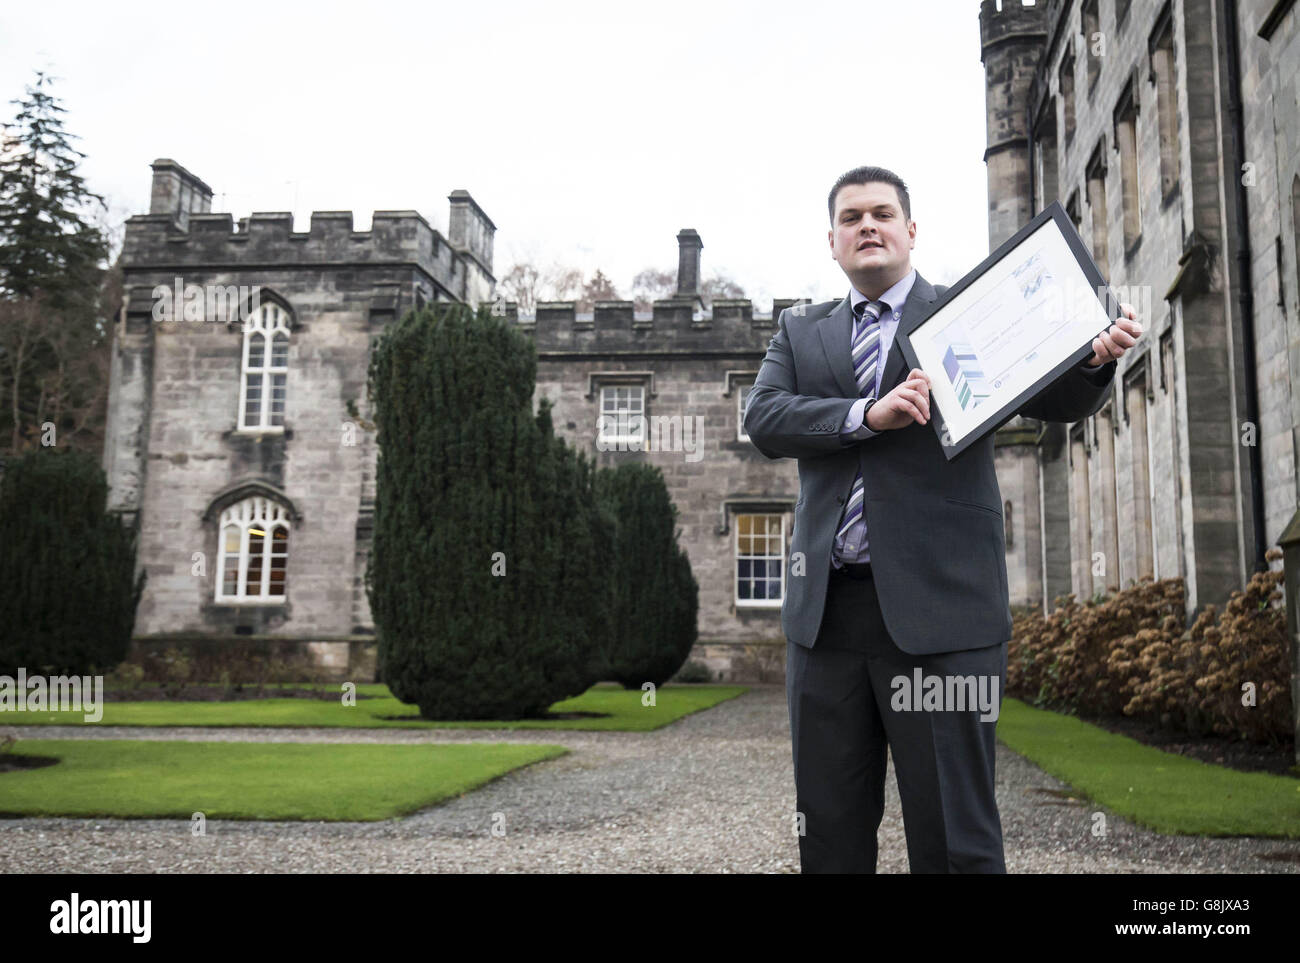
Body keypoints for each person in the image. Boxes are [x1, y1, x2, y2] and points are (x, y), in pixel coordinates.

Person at [743, 166, 1143, 873]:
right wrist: (866, 414)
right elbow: (765, 417)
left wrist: (1091, 361)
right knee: (829, 835)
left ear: (911, 230)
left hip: (943, 615)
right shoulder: (800, 332)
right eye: (851, 217)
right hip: (826, 622)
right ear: (832, 241)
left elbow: (1055, 397)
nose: (867, 225)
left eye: (883, 213)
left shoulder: (968, 314)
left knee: (954, 838)